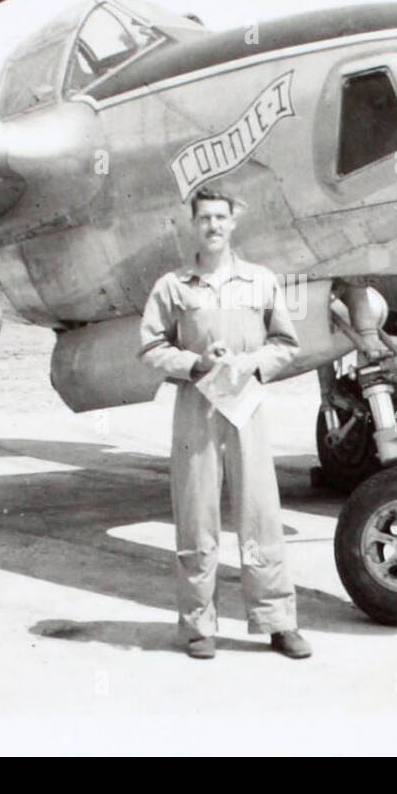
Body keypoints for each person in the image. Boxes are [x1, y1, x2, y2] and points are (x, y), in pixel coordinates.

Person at [139, 186, 312, 660]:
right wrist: (196, 362)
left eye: (221, 218)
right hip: (197, 407)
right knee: (197, 516)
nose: (213, 226)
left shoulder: (261, 281)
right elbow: (151, 347)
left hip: (246, 405)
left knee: (260, 512)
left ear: (233, 223)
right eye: (204, 219)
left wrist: (249, 362)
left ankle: (278, 622)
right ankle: (199, 629)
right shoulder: (172, 286)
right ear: (192, 225)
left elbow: (286, 343)